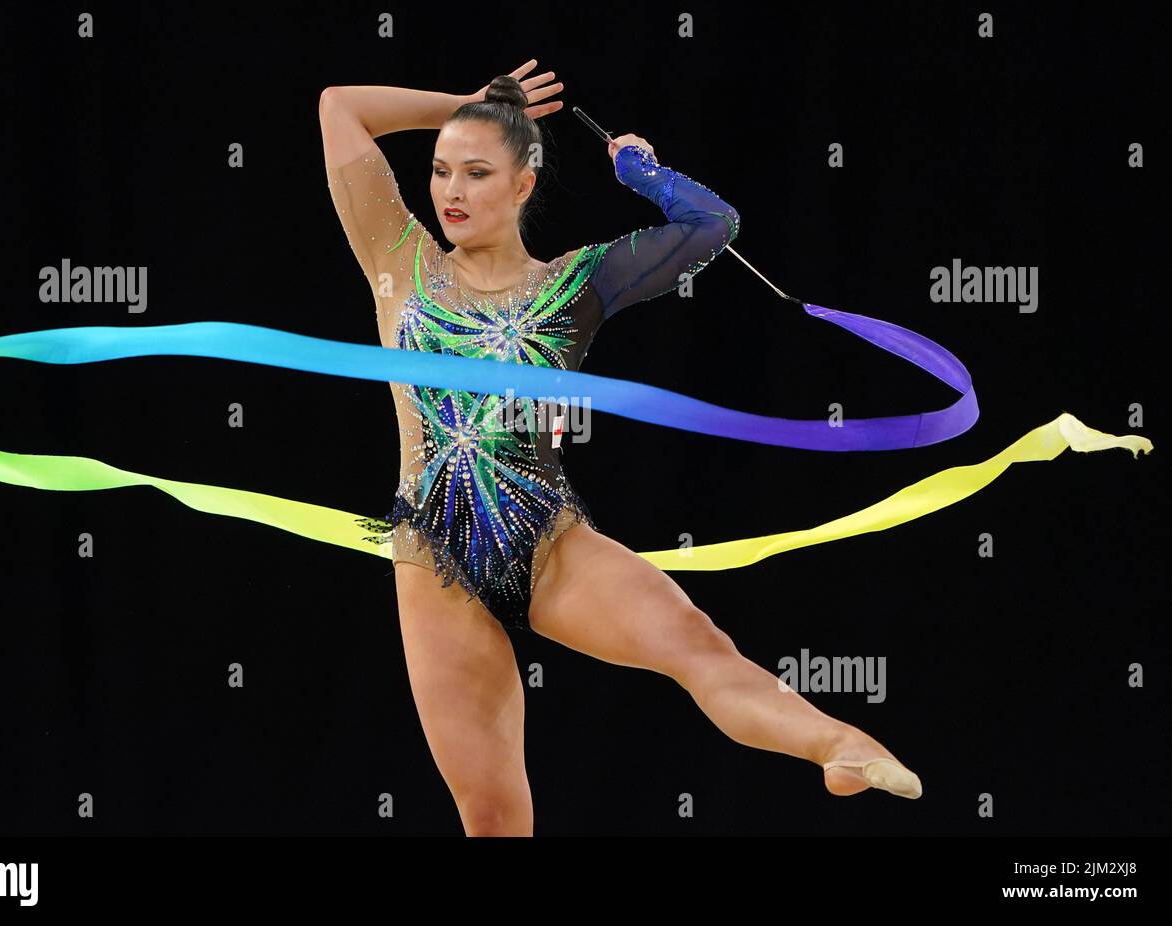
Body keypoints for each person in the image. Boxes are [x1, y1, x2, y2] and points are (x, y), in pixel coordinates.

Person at [320, 59, 921, 836]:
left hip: (550, 544)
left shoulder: (576, 283)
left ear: (523, 185)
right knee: (494, 815)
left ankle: (838, 744)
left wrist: (646, 173)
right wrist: (466, 102)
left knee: (698, 642)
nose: (451, 192)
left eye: (476, 172)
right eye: (440, 171)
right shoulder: (399, 260)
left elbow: (712, 228)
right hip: (434, 563)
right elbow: (340, 107)